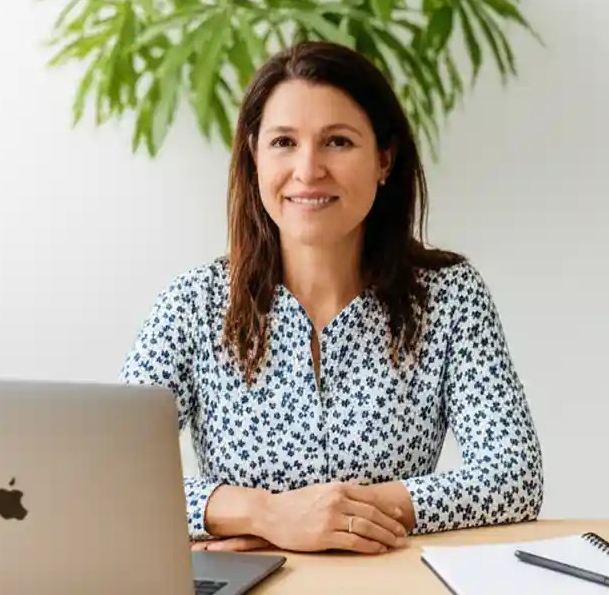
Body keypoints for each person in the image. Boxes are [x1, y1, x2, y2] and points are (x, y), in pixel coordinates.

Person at [120, 41, 543, 555]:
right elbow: (109, 474)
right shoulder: (195, 303)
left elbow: (513, 476)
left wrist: (332, 518)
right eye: (283, 142)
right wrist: (269, 515)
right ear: (254, 156)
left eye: (337, 142)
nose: (308, 169)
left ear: (384, 159)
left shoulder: (450, 296)